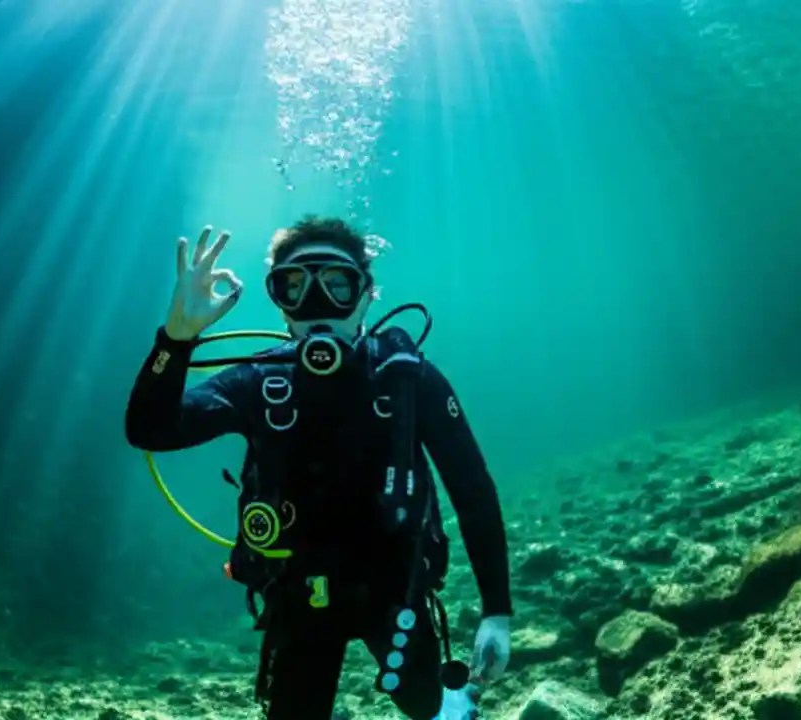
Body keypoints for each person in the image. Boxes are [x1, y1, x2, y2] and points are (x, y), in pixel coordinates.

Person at [125, 217, 513, 720]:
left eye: (337, 284)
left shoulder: (407, 379)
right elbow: (151, 430)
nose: (317, 305)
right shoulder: (260, 381)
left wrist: (497, 612)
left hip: (395, 591)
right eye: (294, 286)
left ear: (366, 294)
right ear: (279, 302)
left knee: (428, 706)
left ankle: (451, 702)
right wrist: (175, 341)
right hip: (298, 599)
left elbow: (472, 490)